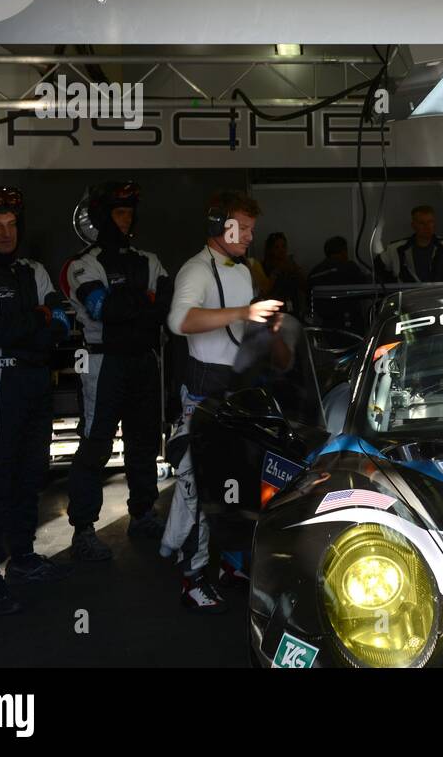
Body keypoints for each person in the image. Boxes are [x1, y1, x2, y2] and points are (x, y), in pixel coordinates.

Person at [163, 191, 282, 611]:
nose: (251, 237)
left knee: (241, 485)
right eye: (243, 228)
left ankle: (233, 563)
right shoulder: (195, 269)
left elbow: (240, 324)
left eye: (252, 228)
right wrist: (242, 314)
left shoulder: (243, 269)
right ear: (219, 226)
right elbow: (179, 321)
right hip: (204, 396)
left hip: (239, 394)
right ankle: (192, 578)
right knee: (200, 491)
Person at [0, 187, 74, 616]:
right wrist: (36, 323)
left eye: (10, 225)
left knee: (31, 474)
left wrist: (30, 326)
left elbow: (60, 324)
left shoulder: (35, 270)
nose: (5, 234)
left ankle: (22, 559)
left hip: (35, 380)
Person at [62, 181, 171, 561]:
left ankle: (142, 513)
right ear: (102, 218)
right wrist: (143, 303)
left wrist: (129, 304)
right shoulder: (82, 263)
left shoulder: (149, 259)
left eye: (128, 213)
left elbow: (166, 310)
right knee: (95, 445)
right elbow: (102, 309)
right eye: (118, 213)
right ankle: (83, 529)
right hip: (102, 362)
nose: (125, 220)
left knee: (143, 442)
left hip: (144, 359)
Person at [307, 235, 369, 332]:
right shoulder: (349, 268)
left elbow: (309, 299)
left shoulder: (315, 273)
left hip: (325, 326)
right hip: (351, 323)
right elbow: (366, 288)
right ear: (344, 251)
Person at [251, 232, 305, 313]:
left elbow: (304, 287)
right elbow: (262, 293)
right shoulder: (263, 267)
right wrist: (276, 272)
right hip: (273, 312)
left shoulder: (291, 264)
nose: (281, 250)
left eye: (283, 246)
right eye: (276, 247)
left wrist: (296, 271)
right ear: (270, 250)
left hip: (293, 310)